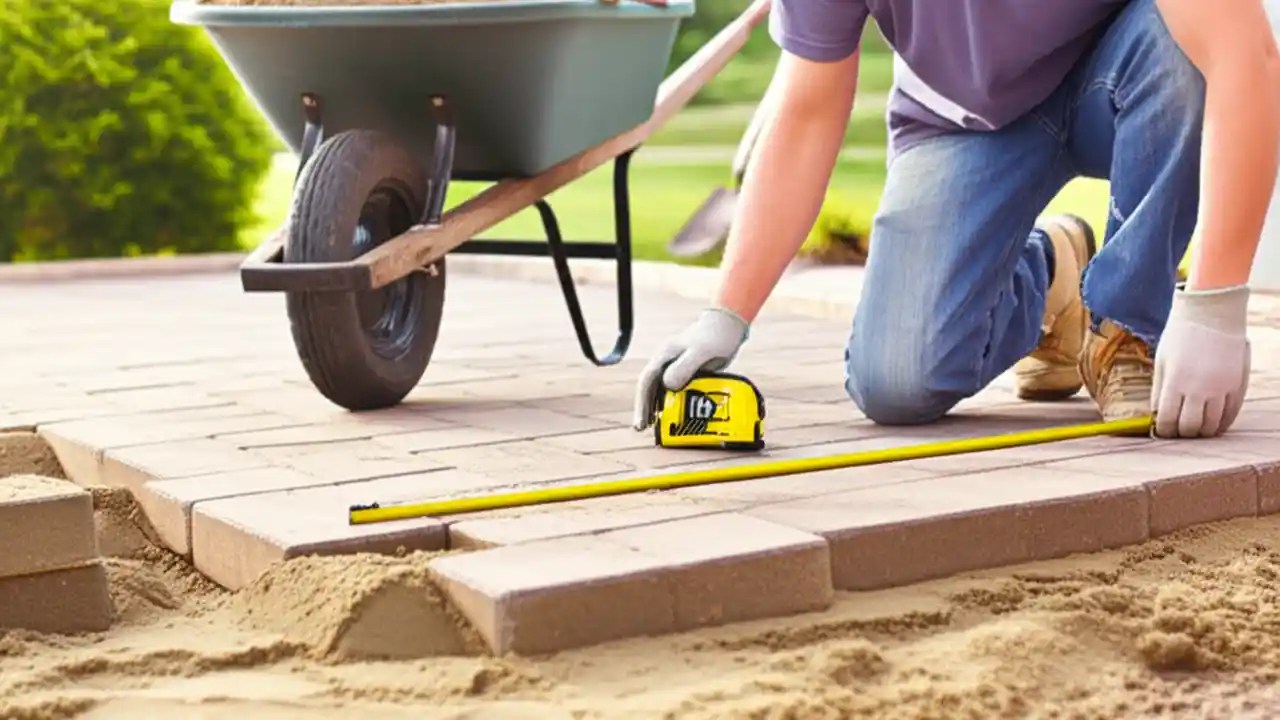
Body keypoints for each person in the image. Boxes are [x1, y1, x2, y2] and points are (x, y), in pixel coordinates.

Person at [632, 0, 1280, 439]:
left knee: (1183, 46)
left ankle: (1128, 328)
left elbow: (1243, 56)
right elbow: (807, 113)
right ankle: (1055, 276)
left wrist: (1216, 308)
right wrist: (726, 314)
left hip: (1121, 72)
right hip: (961, 119)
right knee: (897, 383)